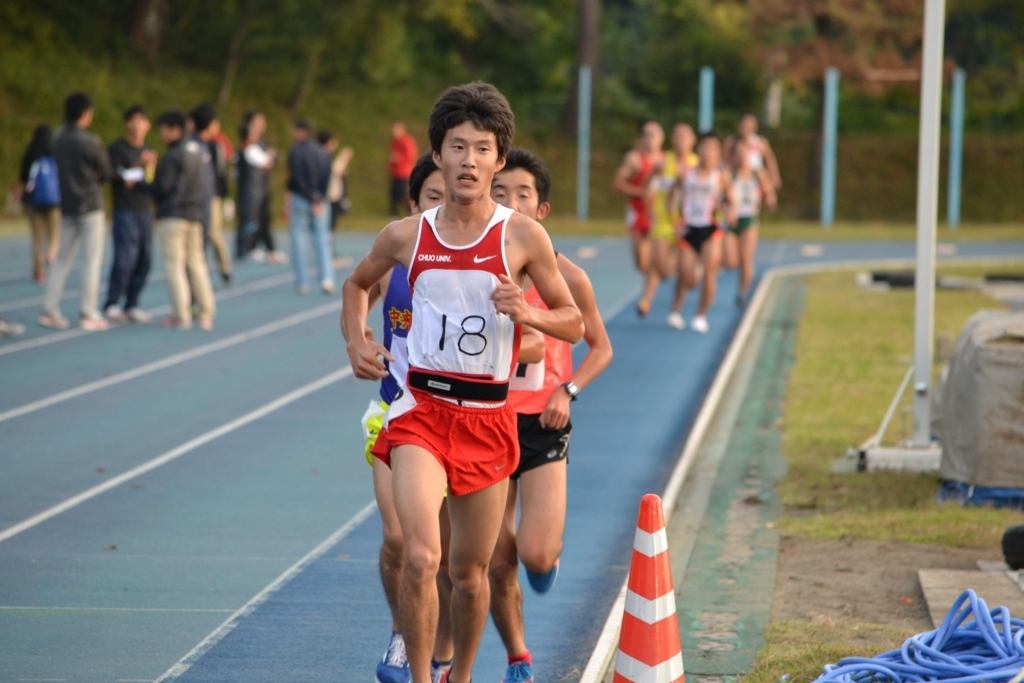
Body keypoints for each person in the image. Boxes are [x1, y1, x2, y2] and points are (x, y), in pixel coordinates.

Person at [342, 83, 583, 683]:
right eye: (457, 147)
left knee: (470, 576)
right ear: (438, 155)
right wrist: (357, 341)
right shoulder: (406, 235)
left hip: (488, 417)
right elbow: (356, 285)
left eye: (482, 149)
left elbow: (573, 322)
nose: (469, 160)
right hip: (420, 412)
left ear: (498, 160)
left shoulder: (521, 237)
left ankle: (463, 675)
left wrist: (527, 314)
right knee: (422, 555)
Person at [488, 148, 613, 683]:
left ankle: (545, 559)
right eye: (501, 193)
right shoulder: (476, 267)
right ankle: (518, 657)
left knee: (534, 555)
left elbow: (600, 348)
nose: (511, 203)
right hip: (488, 423)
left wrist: (569, 389)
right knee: (496, 561)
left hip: (543, 425)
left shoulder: (568, 276)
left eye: (523, 195)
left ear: (541, 210)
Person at [360, 153, 449, 683]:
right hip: (394, 409)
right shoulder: (397, 256)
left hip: (457, 418)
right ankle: (401, 633)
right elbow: (358, 290)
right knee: (399, 539)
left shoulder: (474, 261)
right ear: (413, 203)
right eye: (432, 198)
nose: (442, 207)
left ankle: (443, 656)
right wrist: (358, 337)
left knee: (445, 558)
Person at [39, 92, 113, 331]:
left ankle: (49, 309)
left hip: (67, 204)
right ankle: (88, 312)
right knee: (91, 260)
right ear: (85, 114)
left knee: (61, 259)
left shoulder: (57, 138)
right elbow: (106, 172)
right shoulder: (90, 141)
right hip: (90, 205)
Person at [150, 110, 216, 330]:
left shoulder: (173, 155)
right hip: (195, 214)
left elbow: (163, 188)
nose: (161, 134)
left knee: (175, 266)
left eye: (163, 130)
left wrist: (140, 184)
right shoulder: (199, 151)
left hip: (174, 215)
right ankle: (206, 311)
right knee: (197, 263)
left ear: (174, 130)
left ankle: (181, 314)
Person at [666, 131, 733, 333]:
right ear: (698, 150)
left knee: (710, 273)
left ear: (718, 153)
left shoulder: (721, 176)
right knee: (687, 276)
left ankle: (701, 315)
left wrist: (729, 213)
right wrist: (674, 220)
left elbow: (731, 201)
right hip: (688, 228)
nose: (708, 152)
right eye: (704, 147)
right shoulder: (686, 174)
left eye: (712, 148)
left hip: (711, 230)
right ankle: (676, 310)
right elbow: (670, 196)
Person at [103, 105, 157, 324]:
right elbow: (118, 177)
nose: (137, 125)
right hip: (125, 210)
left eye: (141, 121)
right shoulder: (117, 149)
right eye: (133, 120)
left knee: (145, 259)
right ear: (126, 123)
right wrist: (139, 164)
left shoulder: (150, 150)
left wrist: (151, 167)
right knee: (125, 259)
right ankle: (112, 303)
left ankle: (132, 304)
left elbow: (151, 180)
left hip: (145, 211)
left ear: (148, 125)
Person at [611, 118, 664, 317]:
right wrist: (641, 192)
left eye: (655, 134)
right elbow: (617, 184)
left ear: (662, 137)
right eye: (647, 135)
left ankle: (646, 299)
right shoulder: (634, 159)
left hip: (660, 215)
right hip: (638, 212)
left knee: (655, 260)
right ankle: (655, 276)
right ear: (642, 138)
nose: (651, 139)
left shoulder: (667, 160)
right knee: (642, 262)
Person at [645, 123, 698, 319]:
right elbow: (647, 185)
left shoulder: (697, 163)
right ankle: (677, 261)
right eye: (677, 136)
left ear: (693, 140)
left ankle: (676, 309)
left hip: (689, 221)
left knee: (689, 277)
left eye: (685, 136)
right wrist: (650, 209)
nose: (681, 140)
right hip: (664, 220)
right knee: (663, 270)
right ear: (672, 140)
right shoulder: (663, 162)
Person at [723, 138, 777, 306]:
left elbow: (768, 191)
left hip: (749, 219)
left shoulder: (757, 173)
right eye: (737, 153)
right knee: (731, 262)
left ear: (749, 154)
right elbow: (720, 197)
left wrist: (769, 199)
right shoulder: (728, 174)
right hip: (732, 220)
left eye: (744, 152)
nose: (741, 156)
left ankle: (742, 293)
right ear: (733, 156)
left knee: (746, 260)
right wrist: (726, 211)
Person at [285, 119, 334, 295]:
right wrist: (319, 198)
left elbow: (297, 178)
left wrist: (310, 197)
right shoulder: (323, 151)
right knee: (322, 239)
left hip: (301, 199)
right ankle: (327, 278)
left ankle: (303, 282)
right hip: (320, 200)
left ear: (302, 131)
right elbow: (327, 175)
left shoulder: (295, 152)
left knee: (299, 240)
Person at [236, 111, 286, 264]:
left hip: (258, 190)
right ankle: (247, 248)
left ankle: (256, 247)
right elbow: (267, 162)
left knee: (260, 220)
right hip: (251, 191)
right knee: (250, 220)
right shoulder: (250, 148)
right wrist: (270, 157)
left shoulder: (259, 145)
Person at [191, 103, 233, 286]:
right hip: (195, 198)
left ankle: (225, 269)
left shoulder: (216, 146)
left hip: (213, 196)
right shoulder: (192, 144)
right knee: (197, 236)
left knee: (214, 233)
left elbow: (221, 174)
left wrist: (224, 196)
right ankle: (200, 272)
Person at [19, 124, 61, 282]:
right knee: (54, 233)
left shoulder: (31, 154)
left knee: (37, 237)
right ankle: (51, 254)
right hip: (53, 201)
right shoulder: (55, 153)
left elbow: (24, 177)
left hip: (34, 200)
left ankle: (38, 270)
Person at [726, 114, 782, 191]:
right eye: (744, 125)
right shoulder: (732, 141)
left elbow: (769, 159)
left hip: (757, 176)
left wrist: (774, 175)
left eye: (749, 126)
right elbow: (725, 159)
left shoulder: (760, 142)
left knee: (765, 180)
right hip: (738, 174)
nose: (746, 128)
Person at [388, 122, 418, 216]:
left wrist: (399, 158)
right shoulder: (394, 142)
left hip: (404, 172)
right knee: (393, 194)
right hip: (395, 172)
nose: (393, 132)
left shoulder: (406, 141)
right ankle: (393, 213)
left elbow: (411, 155)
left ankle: (412, 209)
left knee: (402, 194)